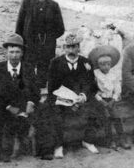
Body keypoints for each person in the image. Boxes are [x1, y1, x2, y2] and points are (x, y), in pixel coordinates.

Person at [42, 31, 104, 159]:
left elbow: (90, 84)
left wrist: (83, 96)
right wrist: (66, 99)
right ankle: (58, 145)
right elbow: (52, 87)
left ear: (78, 47)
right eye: (68, 47)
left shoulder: (86, 62)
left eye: (74, 46)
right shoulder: (55, 63)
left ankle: (88, 140)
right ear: (64, 48)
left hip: (81, 98)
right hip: (61, 98)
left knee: (96, 107)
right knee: (53, 112)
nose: (71, 50)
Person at [0, 33, 39, 164]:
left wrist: (31, 102)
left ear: (22, 53)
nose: (14, 55)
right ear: (6, 52)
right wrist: (8, 107)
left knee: (42, 111)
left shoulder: (28, 68)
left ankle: (37, 148)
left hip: (22, 105)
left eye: (17, 52)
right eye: (11, 52)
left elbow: (35, 90)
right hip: (4, 106)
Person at [15, 0, 66, 88]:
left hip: (46, 48)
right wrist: (21, 44)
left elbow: (60, 28)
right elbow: (19, 27)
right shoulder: (26, 3)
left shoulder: (53, 5)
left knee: (43, 76)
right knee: (27, 76)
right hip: (29, 46)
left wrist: (49, 39)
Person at [88, 45, 130, 150]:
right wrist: (101, 101)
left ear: (111, 64)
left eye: (108, 64)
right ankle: (110, 140)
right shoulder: (95, 74)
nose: (105, 67)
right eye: (102, 64)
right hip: (100, 100)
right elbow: (93, 90)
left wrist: (114, 99)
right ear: (98, 65)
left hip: (111, 100)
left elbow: (117, 88)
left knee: (116, 117)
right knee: (106, 118)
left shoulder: (114, 74)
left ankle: (122, 138)